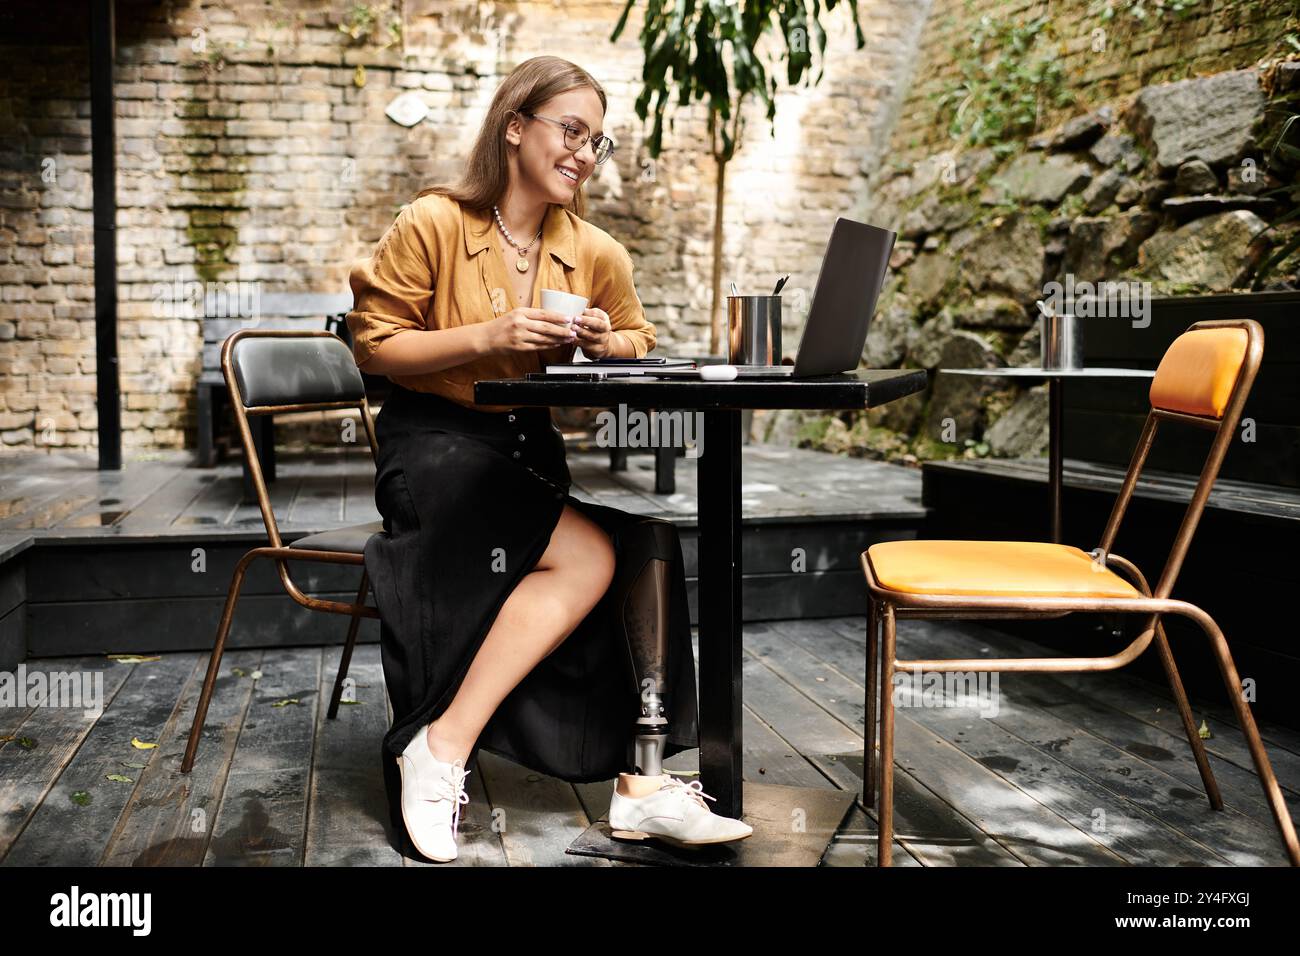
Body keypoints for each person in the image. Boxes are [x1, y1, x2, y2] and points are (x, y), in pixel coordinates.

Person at [344, 55, 752, 862]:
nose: (583, 152)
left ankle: (640, 786)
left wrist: (608, 340)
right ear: (515, 127)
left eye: (595, 140)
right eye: (570, 129)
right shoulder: (433, 222)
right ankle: (441, 746)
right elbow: (374, 345)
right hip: (432, 448)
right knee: (593, 553)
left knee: (647, 545)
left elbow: (641, 338)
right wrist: (487, 337)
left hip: (527, 453)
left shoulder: (594, 250)